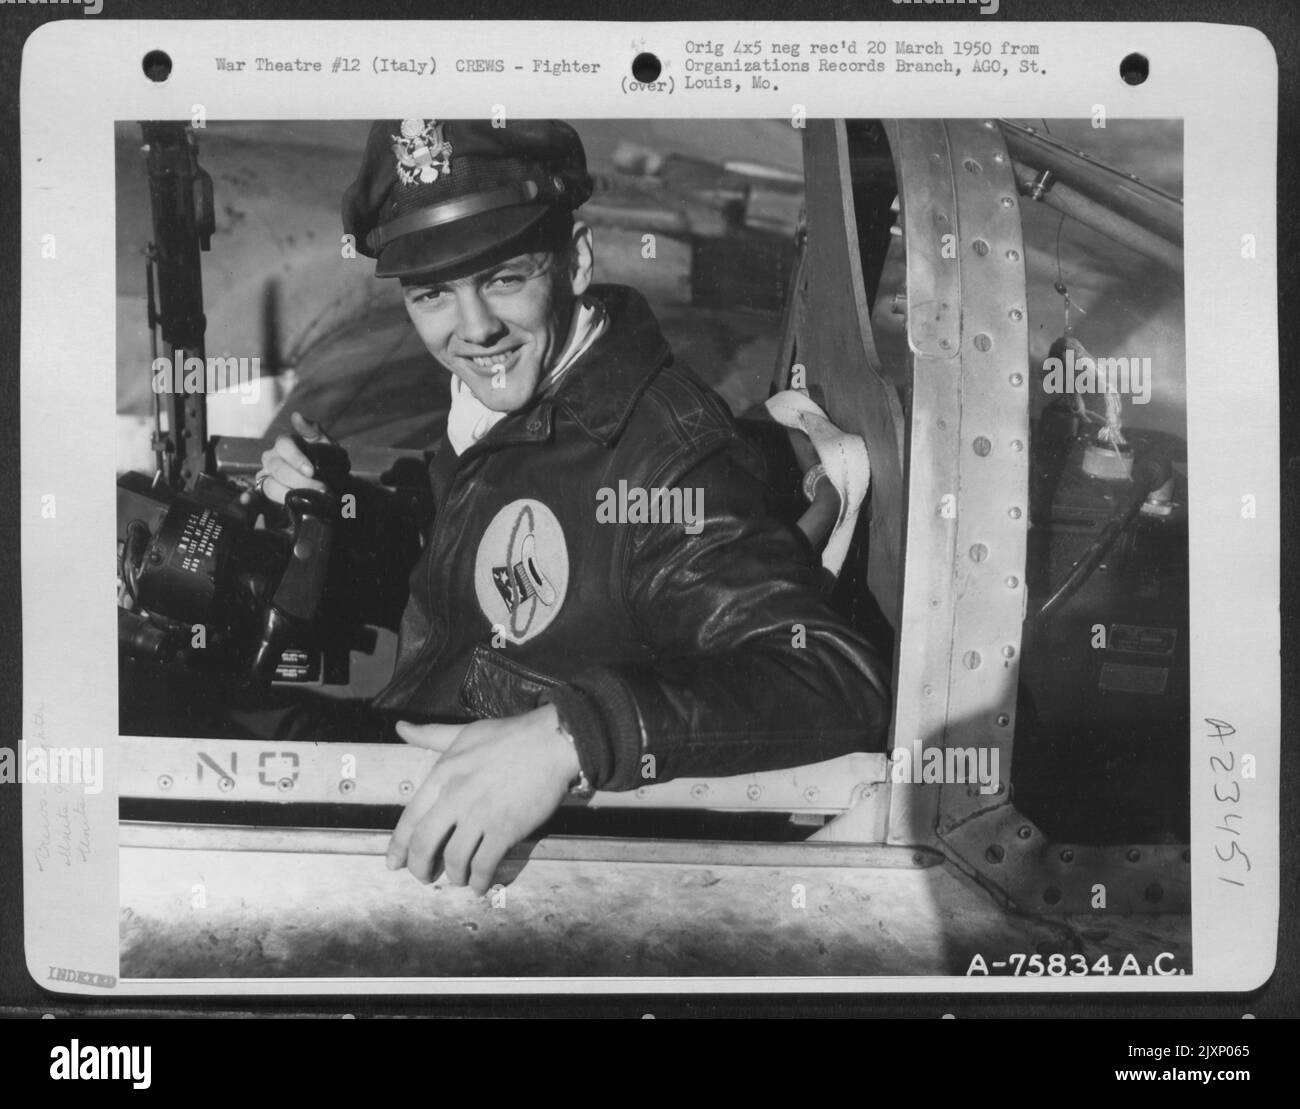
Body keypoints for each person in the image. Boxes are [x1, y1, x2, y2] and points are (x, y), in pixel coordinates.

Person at [255, 118, 891, 894]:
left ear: (577, 259)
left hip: (513, 878)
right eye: (432, 296)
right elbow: (478, 567)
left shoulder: (660, 468)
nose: (475, 329)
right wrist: (338, 514)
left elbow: (831, 675)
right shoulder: (502, 408)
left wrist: (572, 734)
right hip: (425, 785)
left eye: (504, 278)